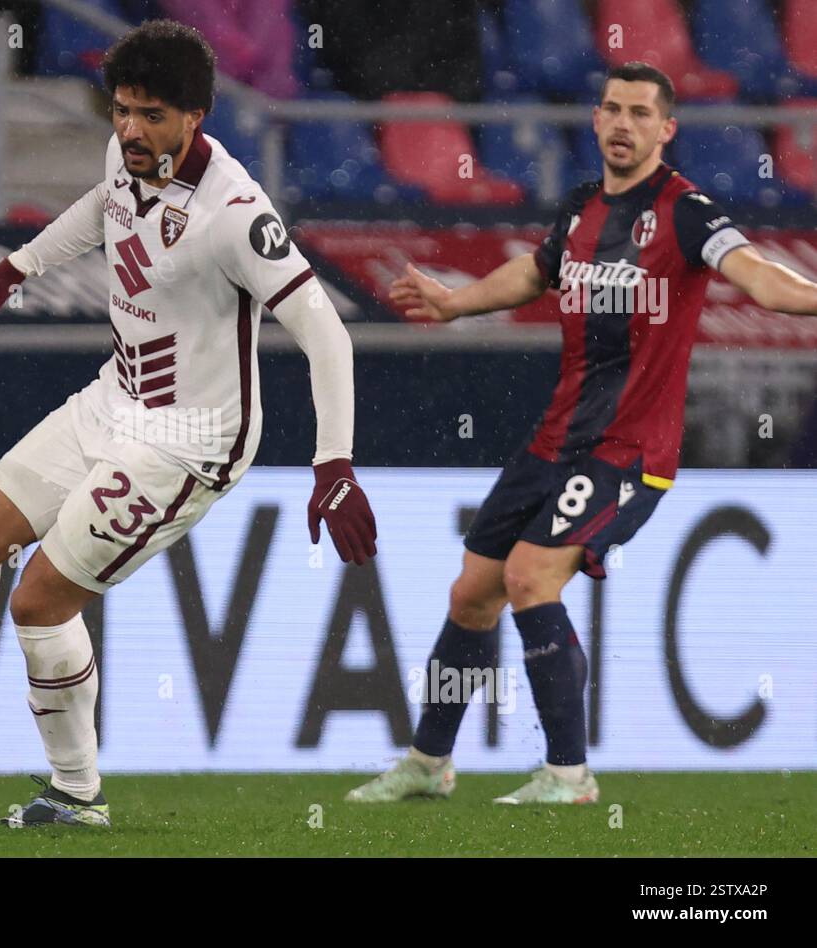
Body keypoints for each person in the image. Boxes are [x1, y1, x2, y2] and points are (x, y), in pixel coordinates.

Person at [0, 20, 376, 827]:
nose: (131, 129)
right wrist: (14, 269)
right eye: (121, 110)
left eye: (152, 115)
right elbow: (103, 207)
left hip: (191, 440)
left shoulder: (235, 210)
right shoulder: (125, 157)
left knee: (39, 602)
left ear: (195, 117)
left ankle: (76, 796)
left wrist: (333, 466)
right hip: (112, 400)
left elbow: (324, 329)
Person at [348, 61, 817, 806]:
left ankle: (569, 775)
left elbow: (760, 278)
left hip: (632, 451)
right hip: (555, 438)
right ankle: (428, 762)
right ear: (595, 121)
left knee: (532, 578)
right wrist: (454, 303)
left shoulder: (689, 212)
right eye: (611, 109)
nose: (623, 123)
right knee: (473, 593)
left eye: (639, 112)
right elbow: (536, 274)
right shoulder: (577, 211)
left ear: (666, 129)